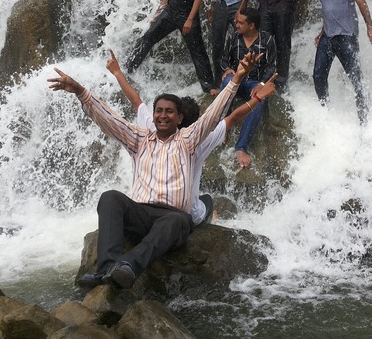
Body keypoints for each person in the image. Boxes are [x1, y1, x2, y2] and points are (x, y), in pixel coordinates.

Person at [48, 51, 262, 290]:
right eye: (158, 111)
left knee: (176, 220)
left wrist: (237, 78)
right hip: (140, 213)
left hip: (173, 218)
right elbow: (109, 119)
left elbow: (214, 115)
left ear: (179, 117)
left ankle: (128, 267)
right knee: (110, 198)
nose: (162, 116)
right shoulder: (139, 138)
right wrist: (81, 91)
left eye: (169, 111)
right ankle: (107, 270)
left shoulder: (188, 140)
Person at [105, 49, 277, 225]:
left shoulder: (153, 129)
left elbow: (136, 101)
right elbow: (232, 117)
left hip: (146, 209)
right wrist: (258, 98)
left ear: (178, 117)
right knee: (208, 200)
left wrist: (117, 72)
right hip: (187, 215)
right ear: (196, 122)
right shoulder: (200, 138)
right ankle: (210, 216)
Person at [307, 0, 372, 124]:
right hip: (328, 37)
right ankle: (326, 113)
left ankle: (366, 119)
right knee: (318, 75)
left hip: (346, 37)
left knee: (356, 78)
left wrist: (370, 26)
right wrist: (322, 32)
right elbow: (330, 12)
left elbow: (360, 1)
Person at [215, 7, 276, 168]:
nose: (236, 25)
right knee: (228, 80)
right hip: (236, 80)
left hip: (253, 83)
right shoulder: (234, 37)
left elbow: (272, 66)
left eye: (240, 23)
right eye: (236, 22)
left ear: (251, 25)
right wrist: (226, 68)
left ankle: (241, 147)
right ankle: (223, 128)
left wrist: (262, 85)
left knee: (260, 100)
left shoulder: (267, 40)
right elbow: (224, 59)